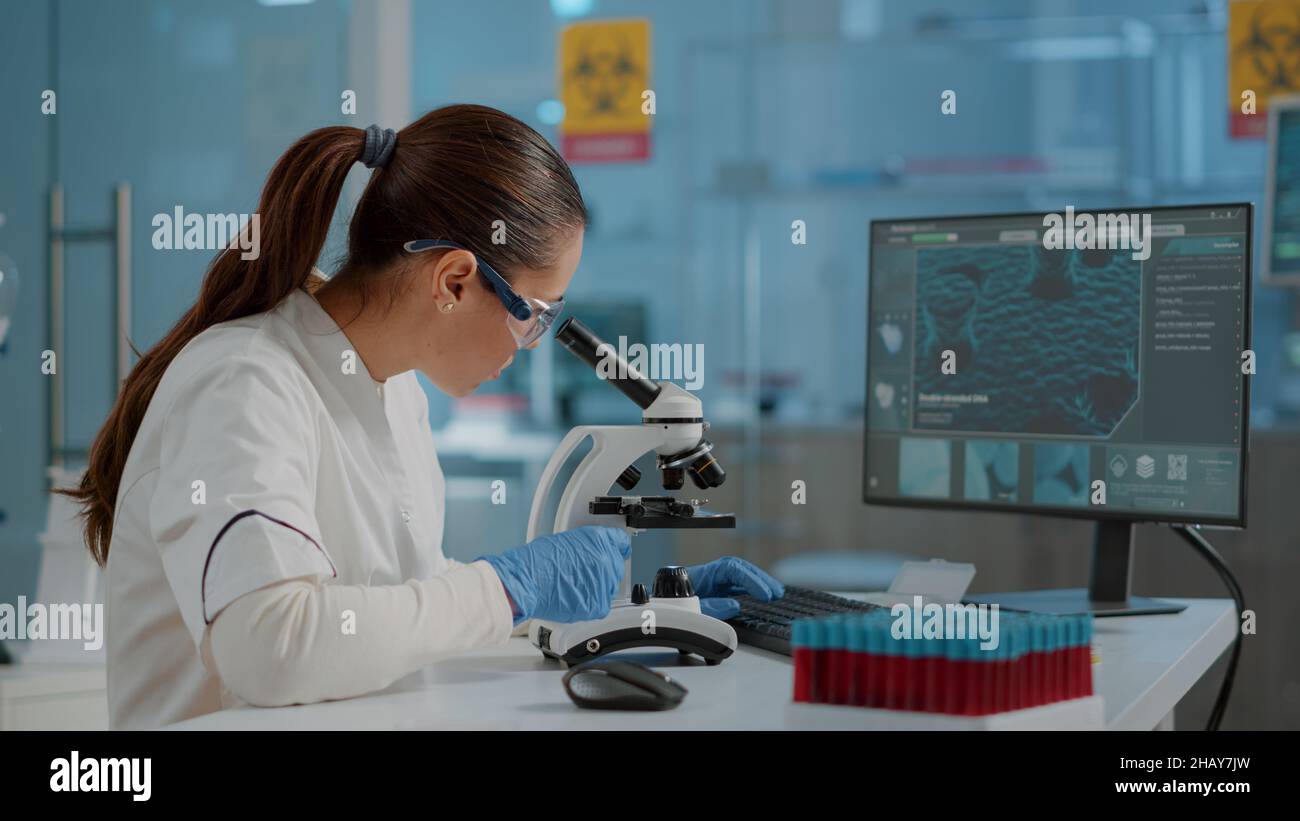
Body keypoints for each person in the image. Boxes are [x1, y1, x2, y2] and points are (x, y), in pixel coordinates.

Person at [60, 105, 782, 729]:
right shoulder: (244, 381)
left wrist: (634, 617)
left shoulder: (393, 388)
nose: (531, 343)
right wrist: (506, 585)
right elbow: (269, 647)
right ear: (455, 279)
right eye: (533, 315)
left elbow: (403, 622)